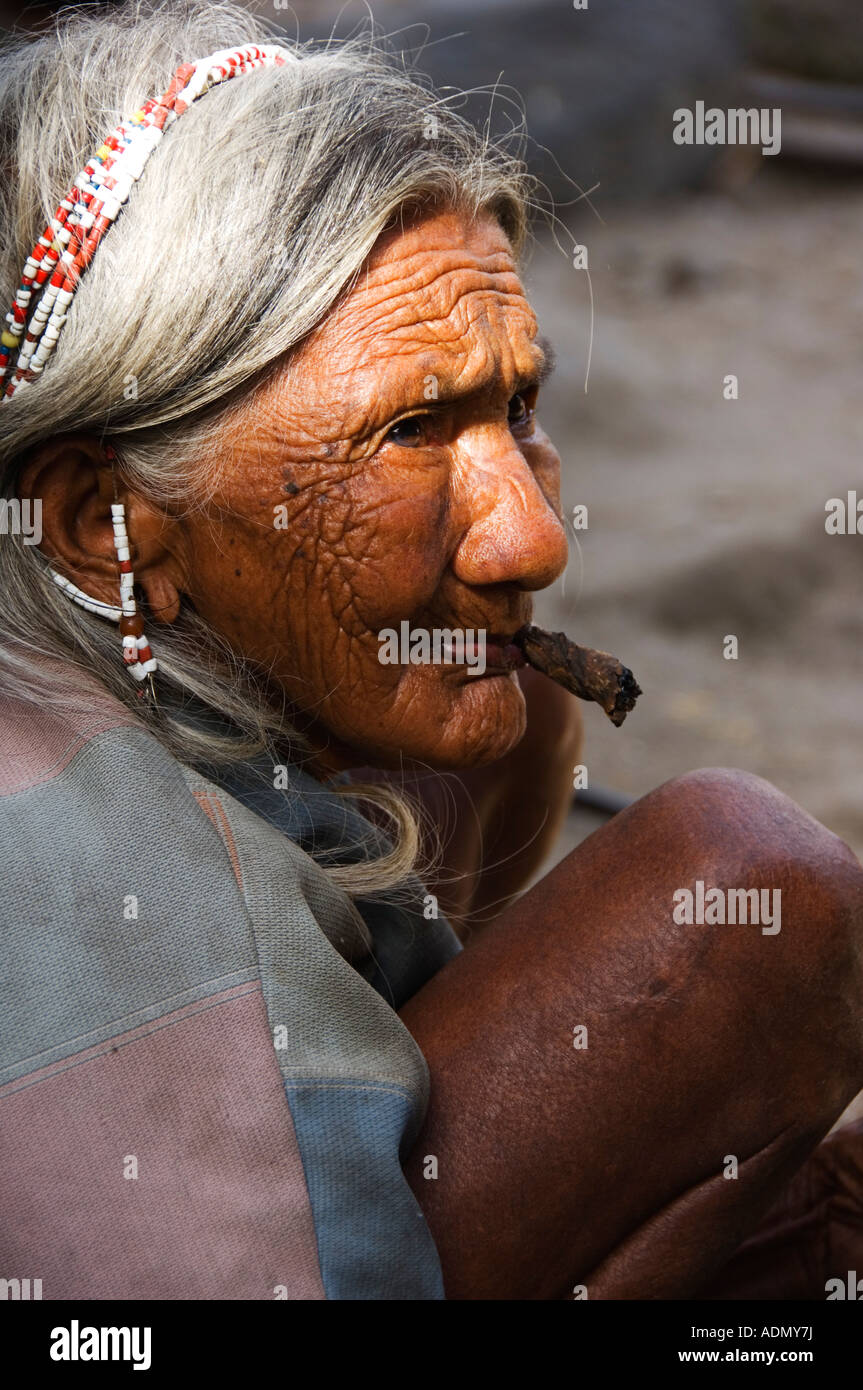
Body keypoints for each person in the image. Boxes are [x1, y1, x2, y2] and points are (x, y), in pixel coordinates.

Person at [0, 0, 861, 1301]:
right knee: (747, 886)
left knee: (496, 742)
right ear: (102, 520)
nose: (532, 539)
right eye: (409, 431)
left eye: (519, 406)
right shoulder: (147, 911)